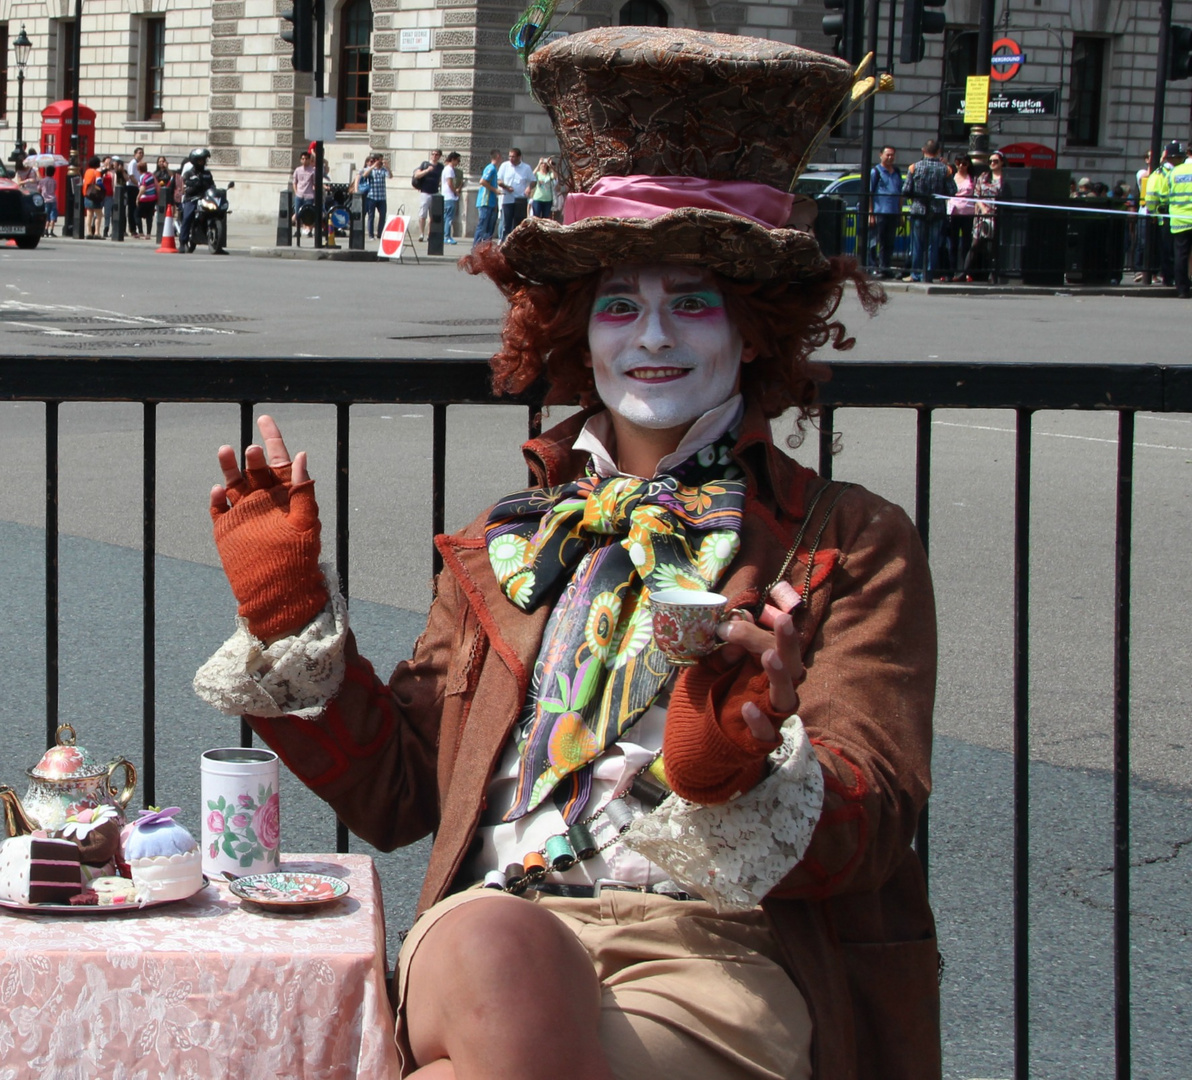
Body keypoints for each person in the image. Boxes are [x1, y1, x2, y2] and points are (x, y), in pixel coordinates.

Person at [195, 26, 939, 1080]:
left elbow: (878, 815)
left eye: (693, 302)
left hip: (710, 959)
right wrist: (287, 615)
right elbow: (405, 796)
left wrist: (732, 762)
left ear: (754, 329)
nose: (651, 338)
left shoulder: (849, 540)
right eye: (619, 304)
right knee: (502, 942)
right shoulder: (512, 536)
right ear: (575, 332)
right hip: (496, 929)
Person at [901, 139, 955, 283]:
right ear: (938, 152)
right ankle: (928, 274)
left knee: (917, 244)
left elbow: (906, 190)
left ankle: (915, 273)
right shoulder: (945, 169)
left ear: (923, 150)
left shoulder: (914, 167)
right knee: (933, 244)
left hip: (918, 210)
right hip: (937, 211)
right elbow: (952, 190)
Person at [963, 150, 1011, 283]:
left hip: (996, 215)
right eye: (990, 161)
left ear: (1002, 162)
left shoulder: (1005, 178)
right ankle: (964, 272)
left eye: (995, 161)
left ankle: (993, 274)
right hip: (982, 215)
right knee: (975, 244)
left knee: (993, 247)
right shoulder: (984, 176)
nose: (992, 164)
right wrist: (983, 208)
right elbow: (976, 194)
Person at [868, 146, 902, 279]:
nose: (890, 157)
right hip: (879, 212)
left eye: (892, 155)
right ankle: (873, 267)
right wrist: (871, 214)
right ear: (880, 155)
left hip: (893, 212)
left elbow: (900, 194)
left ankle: (885, 267)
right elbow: (869, 194)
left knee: (889, 242)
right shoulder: (875, 172)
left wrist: (900, 213)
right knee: (875, 242)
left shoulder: (897, 172)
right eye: (887, 155)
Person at [1166, 143, 1192, 298]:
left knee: (1180, 255)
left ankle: (1182, 288)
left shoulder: (1175, 172)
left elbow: (1168, 193)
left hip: (1180, 219)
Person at [179, 147, 215, 251]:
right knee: (187, 217)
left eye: (204, 160)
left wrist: (215, 190)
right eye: (200, 160)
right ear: (195, 161)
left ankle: (218, 244)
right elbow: (185, 186)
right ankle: (183, 242)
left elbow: (212, 185)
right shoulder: (189, 174)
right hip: (192, 199)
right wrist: (192, 186)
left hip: (205, 199)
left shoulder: (207, 173)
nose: (202, 162)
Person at [496, 146, 535, 241]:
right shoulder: (505, 166)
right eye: (509, 156)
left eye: (513, 157)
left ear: (519, 157)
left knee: (519, 224)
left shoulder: (526, 168)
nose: (511, 159)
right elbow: (499, 180)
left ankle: (517, 243)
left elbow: (533, 180)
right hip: (507, 199)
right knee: (506, 224)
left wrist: (529, 188)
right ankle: (504, 242)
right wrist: (505, 187)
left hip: (520, 199)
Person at [947, 155, 975, 279]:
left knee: (966, 243)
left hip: (968, 213)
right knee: (953, 243)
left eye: (964, 163)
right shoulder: (951, 176)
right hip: (953, 213)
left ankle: (965, 271)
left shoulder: (972, 178)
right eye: (958, 163)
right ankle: (951, 271)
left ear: (968, 164)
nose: (961, 166)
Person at [473, 148, 502, 249]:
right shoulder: (491, 168)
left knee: (490, 227)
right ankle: (476, 247)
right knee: (482, 226)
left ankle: (485, 248)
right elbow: (483, 181)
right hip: (485, 201)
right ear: (498, 156)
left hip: (491, 202)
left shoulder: (494, 169)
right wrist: (495, 190)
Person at [414, 149, 445, 242]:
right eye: (433, 154)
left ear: (439, 156)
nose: (434, 156)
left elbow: (441, 179)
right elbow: (417, 175)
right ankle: (421, 234)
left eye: (437, 154)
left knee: (433, 216)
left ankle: (429, 234)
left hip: (435, 192)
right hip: (425, 192)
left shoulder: (440, 167)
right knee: (423, 214)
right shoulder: (425, 164)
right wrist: (427, 170)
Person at [359, 153, 390, 240]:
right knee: (371, 216)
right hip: (372, 196)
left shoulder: (383, 170)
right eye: (379, 160)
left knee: (382, 215)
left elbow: (390, 176)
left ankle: (380, 234)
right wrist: (373, 166)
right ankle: (371, 235)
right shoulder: (370, 169)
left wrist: (387, 167)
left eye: (381, 160)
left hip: (382, 197)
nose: (380, 162)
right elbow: (364, 175)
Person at [291, 150, 316, 237]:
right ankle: (298, 230)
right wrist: (296, 191)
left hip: (309, 195)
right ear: (300, 160)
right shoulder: (298, 170)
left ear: (309, 160)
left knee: (308, 214)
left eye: (306, 159)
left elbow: (314, 183)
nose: (304, 160)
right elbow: (294, 182)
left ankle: (309, 231)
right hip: (299, 195)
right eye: (303, 159)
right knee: (297, 213)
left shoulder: (312, 171)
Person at [440, 151, 461, 244]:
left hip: (446, 196)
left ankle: (445, 235)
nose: (458, 163)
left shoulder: (446, 169)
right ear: (453, 160)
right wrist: (455, 191)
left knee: (446, 217)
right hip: (449, 196)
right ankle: (447, 236)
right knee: (449, 217)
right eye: (458, 160)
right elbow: (449, 183)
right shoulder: (449, 169)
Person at [82, 155, 104, 238]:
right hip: (95, 195)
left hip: (87, 194)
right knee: (99, 214)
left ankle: (89, 232)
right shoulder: (97, 172)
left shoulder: (87, 171)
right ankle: (97, 232)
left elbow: (84, 182)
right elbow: (99, 183)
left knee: (89, 214)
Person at [126, 147, 146, 236]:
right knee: (132, 209)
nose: (141, 154)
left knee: (137, 208)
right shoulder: (133, 163)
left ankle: (137, 228)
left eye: (142, 153)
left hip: (138, 187)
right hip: (132, 187)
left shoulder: (140, 164)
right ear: (135, 154)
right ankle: (132, 229)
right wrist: (138, 185)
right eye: (139, 153)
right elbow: (131, 176)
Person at [137, 164, 159, 236]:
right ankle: (148, 233)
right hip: (152, 198)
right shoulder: (151, 175)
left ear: (139, 169)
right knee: (149, 216)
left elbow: (143, 188)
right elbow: (156, 186)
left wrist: (138, 197)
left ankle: (140, 231)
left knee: (136, 215)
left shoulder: (142, 177)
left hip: (144, 199)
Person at [39, 166, 58, 237]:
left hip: (45, 200)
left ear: (46, 172)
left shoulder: (42, 181)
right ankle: (51, 231)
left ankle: (45, 230)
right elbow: (55, 188)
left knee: (46, 216)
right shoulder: (54, 181)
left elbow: (39, 188)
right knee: (53, 215)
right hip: (53, 199)